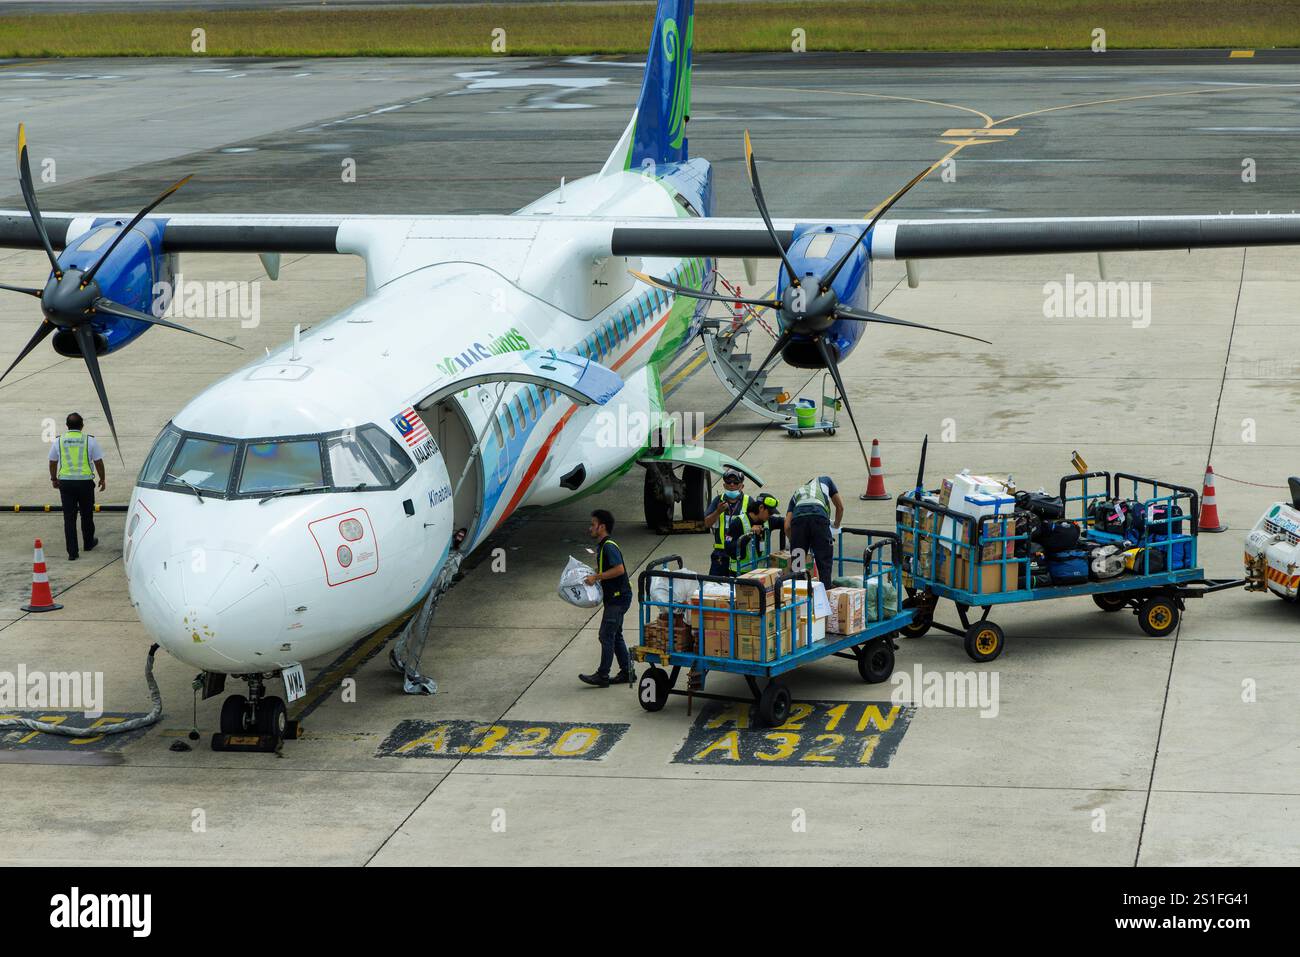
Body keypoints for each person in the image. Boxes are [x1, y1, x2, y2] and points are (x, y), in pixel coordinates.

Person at [579, 509, 634, 688]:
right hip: (615, 597)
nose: (590, 528)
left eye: (593, 524)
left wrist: (596, 577)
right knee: (615, 634)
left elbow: (619, 569)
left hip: (618, 598)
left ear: (602, 527)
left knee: (606, 635)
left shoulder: (609, 546)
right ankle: (627, 672)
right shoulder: (603, 546)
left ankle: (603, 675)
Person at [49, 412, 106, 561]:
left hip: (66, 483)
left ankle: (72, 552)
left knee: (69, 518)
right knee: (87, 514)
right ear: (82, 425)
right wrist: (102, 479)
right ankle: (88, 543)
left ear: (67, 426)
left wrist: (54, 479)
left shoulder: (59, 441)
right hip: (85, 483)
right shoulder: (89, 441)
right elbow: (98, 461)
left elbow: (52, 461)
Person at [785, 475, 845, 585]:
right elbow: (840, 507)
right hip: (819, 518)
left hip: (798, 522)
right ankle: (825, 594)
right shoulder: (826, 481)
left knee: (797, 566)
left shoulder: (798, 492)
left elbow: (787, 526)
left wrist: (793, 540)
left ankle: (799, 596)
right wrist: (836, 525)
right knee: (824, 562)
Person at [705, 469, 750, 576]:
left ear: (742, 486)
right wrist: (718, 512)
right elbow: (707, 524)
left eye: (736, 483)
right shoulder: (718, 500)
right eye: (729, 483)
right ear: (724, 485)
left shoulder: (748, 501)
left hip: (739, 553)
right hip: (721, 553)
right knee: (714, 586)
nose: (732, 485)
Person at [723, 493, 780, 573]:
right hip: (740, 574)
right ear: (761, 508)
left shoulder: (767, 521)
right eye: (770, 513)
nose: (771, 516)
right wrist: (748, 535)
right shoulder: (738, 522)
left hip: (760, 573)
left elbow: (785, 522)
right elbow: (728, 548)